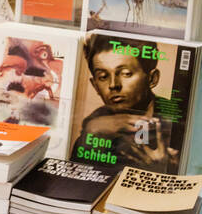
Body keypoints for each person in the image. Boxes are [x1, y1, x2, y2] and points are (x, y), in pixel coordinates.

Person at [75, 33, 180, 173]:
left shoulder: (178, 121)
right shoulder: (94, 123)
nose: (113, 85)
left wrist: (164, 170)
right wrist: (90, 134)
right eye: (103, 77)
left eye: (125, 73)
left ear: (152, 79)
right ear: (95, 86)